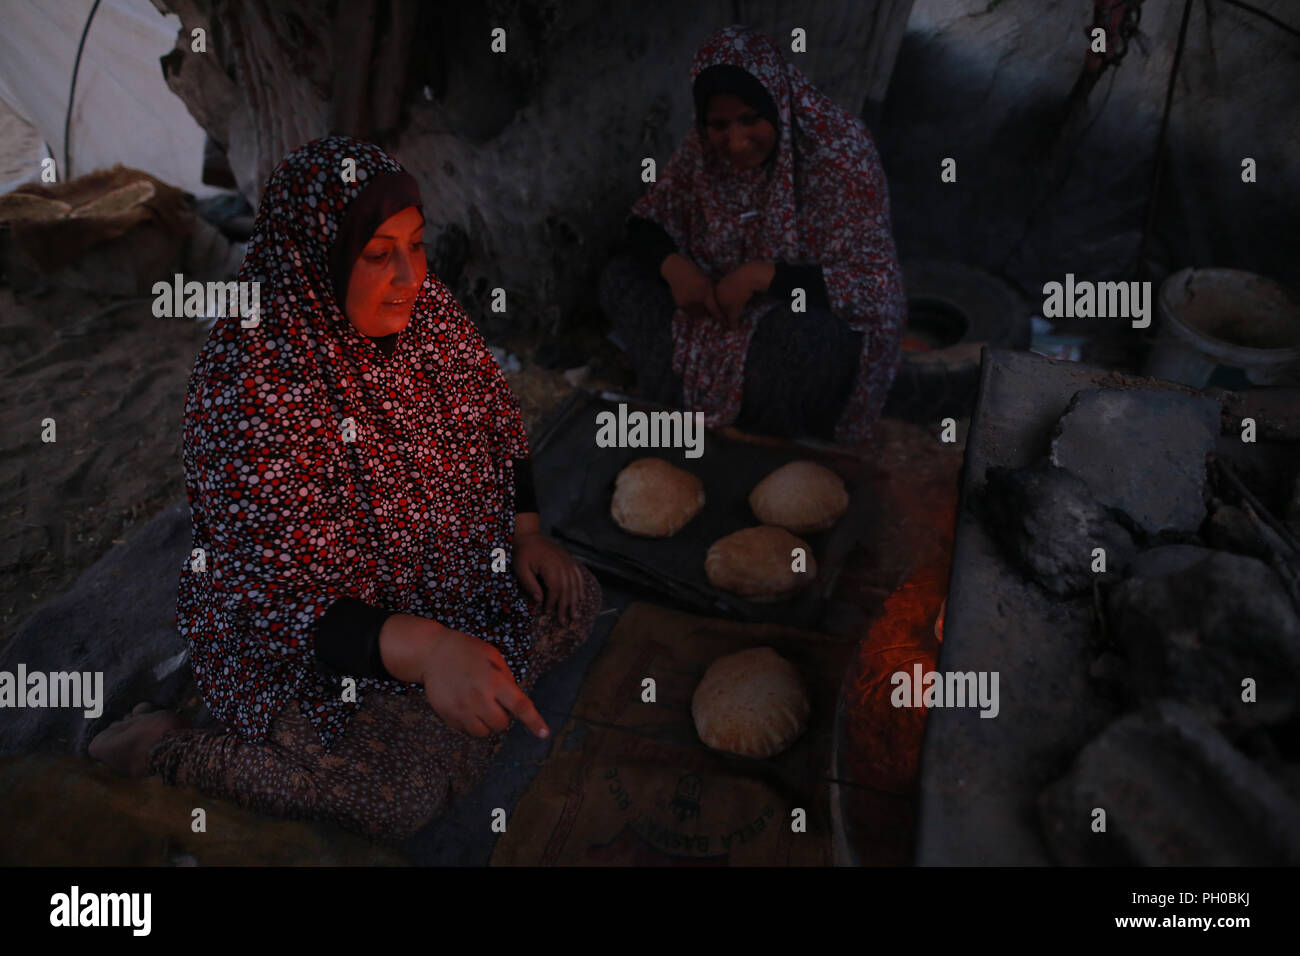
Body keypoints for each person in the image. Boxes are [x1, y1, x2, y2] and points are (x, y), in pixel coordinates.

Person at [88, 136, 602, 844]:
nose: (408, 276)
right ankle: (167, 748)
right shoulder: (251, 384)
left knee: (573, 599)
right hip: (307, 637)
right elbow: (278, 594)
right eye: (376, 253)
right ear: (313, 259)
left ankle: (442, 698)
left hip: (442, 581)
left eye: (417, 245)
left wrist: (527, 534)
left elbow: (497, 422)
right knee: (395, 796)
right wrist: (429, 653)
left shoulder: (431, 317)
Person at [600, 25, 907, 445]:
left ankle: (762, 439)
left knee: (807, 344)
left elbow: (874, 287)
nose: (737, 142)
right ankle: (688, 408)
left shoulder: (839, 154)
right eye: (719, 124)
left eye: (750, 119)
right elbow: (647, 220)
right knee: (620, 278)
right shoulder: (701, 152)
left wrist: (761, 278)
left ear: (777, 103)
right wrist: (677, 270)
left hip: (786, 318)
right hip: (712, 308)